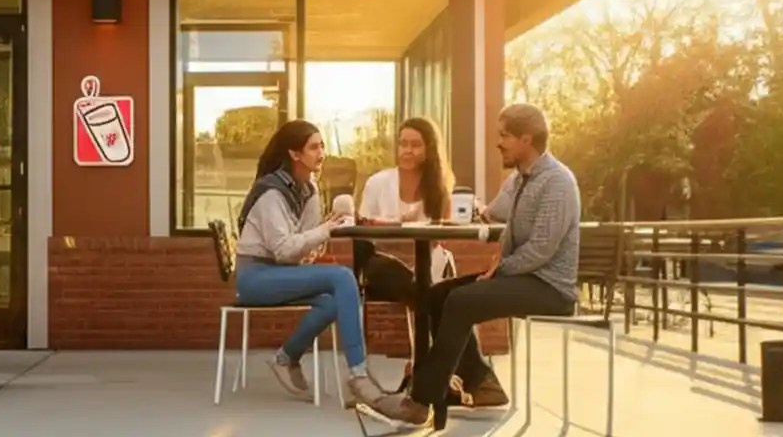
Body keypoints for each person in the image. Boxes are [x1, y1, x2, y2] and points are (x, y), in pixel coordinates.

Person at [366, 104, 582, 425]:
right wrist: (469, 209)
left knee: (461, 301)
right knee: (438, 295)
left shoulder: (557, 182)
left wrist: (500, 269)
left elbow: (541, 249)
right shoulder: (520, 179)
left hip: (549, 287)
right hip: (521, 277)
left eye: (504, 136)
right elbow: (491, 213)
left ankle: (419, 402)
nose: (499, 143)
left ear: (526, 139)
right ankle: (480, 383)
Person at [234, 119, 386, 405]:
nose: (321, 153)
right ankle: (358, 374)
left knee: (332, 301)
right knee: (342, 277)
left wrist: (321, 227)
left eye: (322, 146)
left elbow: (302, 245)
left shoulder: (308, 190)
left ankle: (286, 358)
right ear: (295, 154)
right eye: (314, 147)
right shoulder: (271, 192)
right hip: (254, 277)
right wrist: (323, 231)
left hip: (280, 272)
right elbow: (283, 250)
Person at [356, 116, 460, 393]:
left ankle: (420, 367)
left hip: (426, 261)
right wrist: (396, 227)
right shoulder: (378, 183)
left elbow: (441, 236)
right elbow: (363, 231)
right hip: (383, 264)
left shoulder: (440, 188)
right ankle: (436, 369)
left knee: (432, 285)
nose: (407, 150)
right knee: (432, 295)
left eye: (415, 144)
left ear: (429, 149)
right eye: (402, 144)